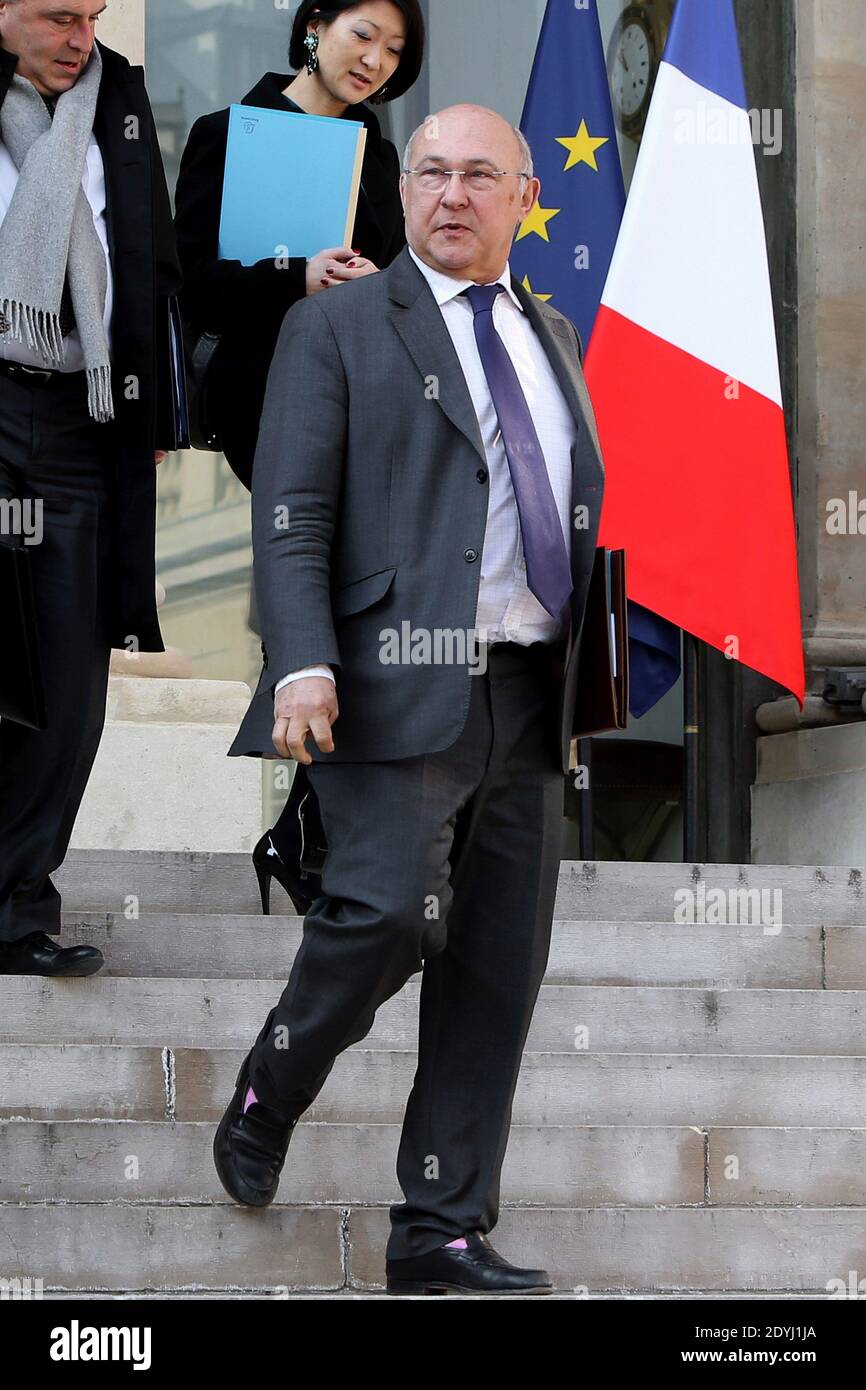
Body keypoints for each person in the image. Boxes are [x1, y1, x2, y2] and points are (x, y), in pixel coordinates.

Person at [218, 102, 606, 1296]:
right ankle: (271, 1079)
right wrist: (302, 660)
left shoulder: (550, 336)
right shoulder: (338, 324)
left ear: (522, 201)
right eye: (429, 171)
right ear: (403, 195)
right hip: (389, 681)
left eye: (478, 175)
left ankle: (436, 1225)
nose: (449, 193)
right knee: (382, 913)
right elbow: (292, 512)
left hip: (530, 689)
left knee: (495, 964)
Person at [173, 0, 425, 915]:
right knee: (315, 567)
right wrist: (297, 277)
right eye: (366, 35)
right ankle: (307, 827)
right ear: (314, 25)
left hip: (358, 391)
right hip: (263, 385)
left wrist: (368, 283)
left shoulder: (378, 151)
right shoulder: (226, 132)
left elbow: (402, 284)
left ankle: (306, 825)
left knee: (355, 585)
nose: (378, 62)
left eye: (397, 53)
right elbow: (189, 282)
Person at [0, 0, 182, 977]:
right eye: (59, 16)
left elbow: (148, 250)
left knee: (68, 679)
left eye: (95, 15)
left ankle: (18, 909)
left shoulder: (120, 93)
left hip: (82, 409)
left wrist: (151, 410)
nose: (82, 37)